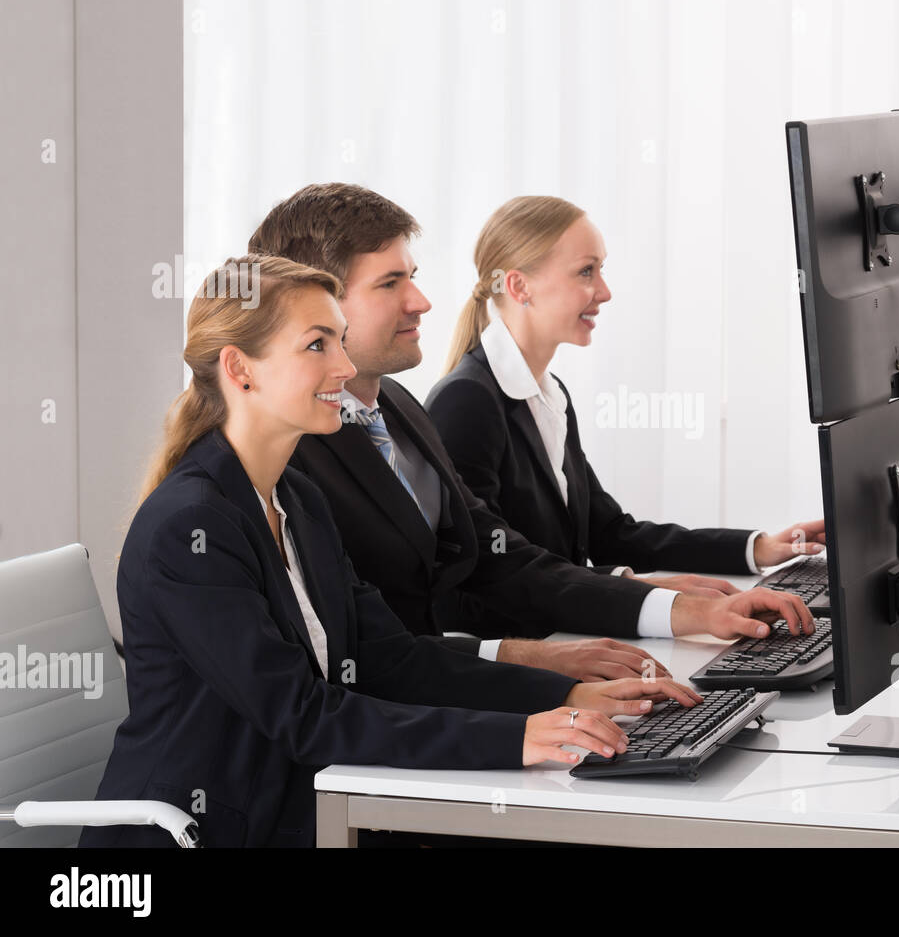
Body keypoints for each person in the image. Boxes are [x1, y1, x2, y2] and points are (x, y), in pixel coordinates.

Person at [80, 256, 697, 848]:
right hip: (207, 832)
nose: (346, 367)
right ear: (241, 369)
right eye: (318, 344)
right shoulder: (191, 530)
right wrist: (517, 737)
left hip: (298, 807)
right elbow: (305, 716)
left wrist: (557, 697)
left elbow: (391, 660)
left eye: (342, 341)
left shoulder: (297, 497)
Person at [247, 183, 814, 648]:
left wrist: (680, 606)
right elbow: (417, 617)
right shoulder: (293, 449)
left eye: (412, 277)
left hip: (447, 689)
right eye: (391, 283)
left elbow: (514, 555)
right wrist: (537, 665)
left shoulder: (400, 409)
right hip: (404, 715)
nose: (421, 301)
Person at [424, 195, 827, 639]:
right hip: (520, 669)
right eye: (586, 271)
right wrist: (651, 595)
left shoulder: (547, 394)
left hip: (569, 637)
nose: (605, 291)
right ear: (520, 287)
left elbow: (610, 534)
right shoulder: (466, 401)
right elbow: (487, 578)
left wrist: (757, 547)